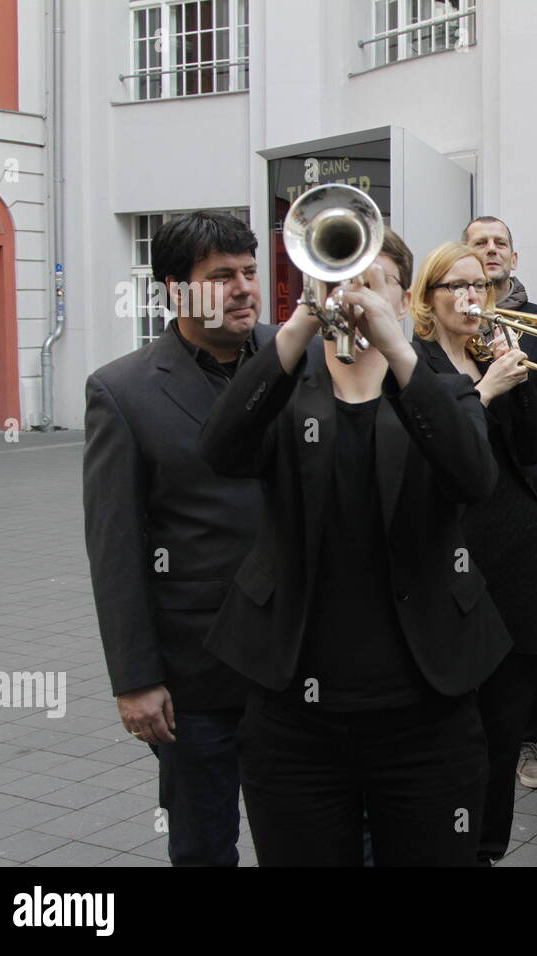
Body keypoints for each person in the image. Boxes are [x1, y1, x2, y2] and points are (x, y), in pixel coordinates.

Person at [198, 238, 510, 867]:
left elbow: (473, 479)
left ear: (404, 299)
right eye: (340, 279)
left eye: (376, 282)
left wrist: (397, 350)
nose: (357, 295)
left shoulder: (443, 392)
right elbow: (220, 451)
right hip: (295, 717)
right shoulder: (286, 392)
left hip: (427, 711)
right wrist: (297, 328)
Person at [84, 211, 287, 867]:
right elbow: (115, 549)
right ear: (175, 288)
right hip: (197, 677)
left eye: (250, 272)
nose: (243, 288)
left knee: (318, 840)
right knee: (204, 848)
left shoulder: (303, 353)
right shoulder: (121, 391)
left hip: (305, 659)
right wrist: (135, 679)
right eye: (221, 275)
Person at [408, 241, 537, 863]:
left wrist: (516, 381)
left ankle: (487, 848)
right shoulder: (412, 363)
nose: (473, 298)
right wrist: (485, 392)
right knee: (451, 727)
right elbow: (425, 454)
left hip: (517, 557)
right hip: (450, 556)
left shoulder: (496, 352)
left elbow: (533, 452)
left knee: (504, 727)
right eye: (457, 287)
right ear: (429, 298)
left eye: (481, 287)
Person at [464, 215, 537, 791]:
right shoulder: (450, 326)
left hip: (525, 489)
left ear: (514, 255)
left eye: (499, 242)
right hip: (467, 494)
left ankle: (522, 740)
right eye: (478, 243)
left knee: (527, 624)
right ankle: (471, 736)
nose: (490, 251)